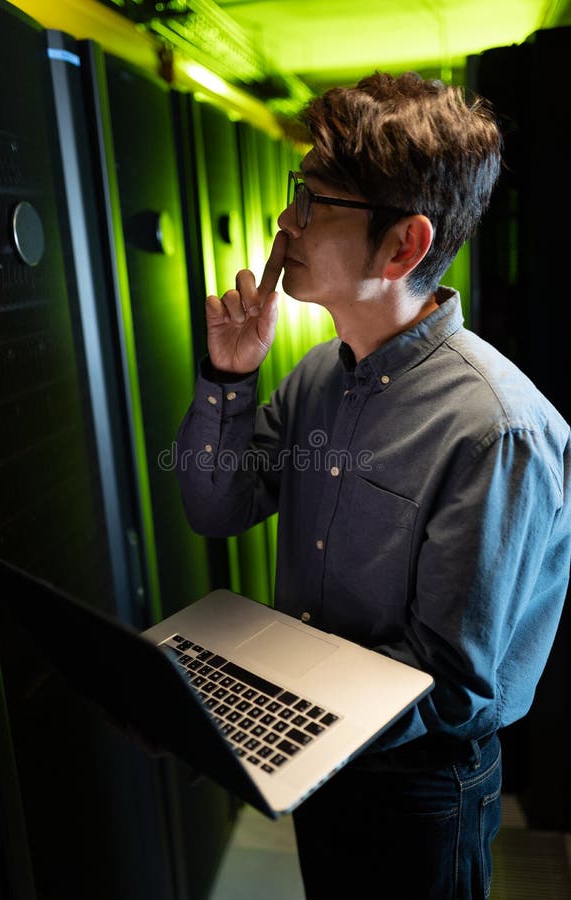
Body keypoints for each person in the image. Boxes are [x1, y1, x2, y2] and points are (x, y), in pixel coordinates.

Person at [175, 71, 571, 899]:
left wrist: (267, 718)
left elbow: (455, 690)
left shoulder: (499, 429)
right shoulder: (321, 374)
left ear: (403, 245)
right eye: (297, 193)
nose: (287, 223)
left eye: (314, 201)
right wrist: (227, 377)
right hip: (327, 767)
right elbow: (217, 507)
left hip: (421, 792)